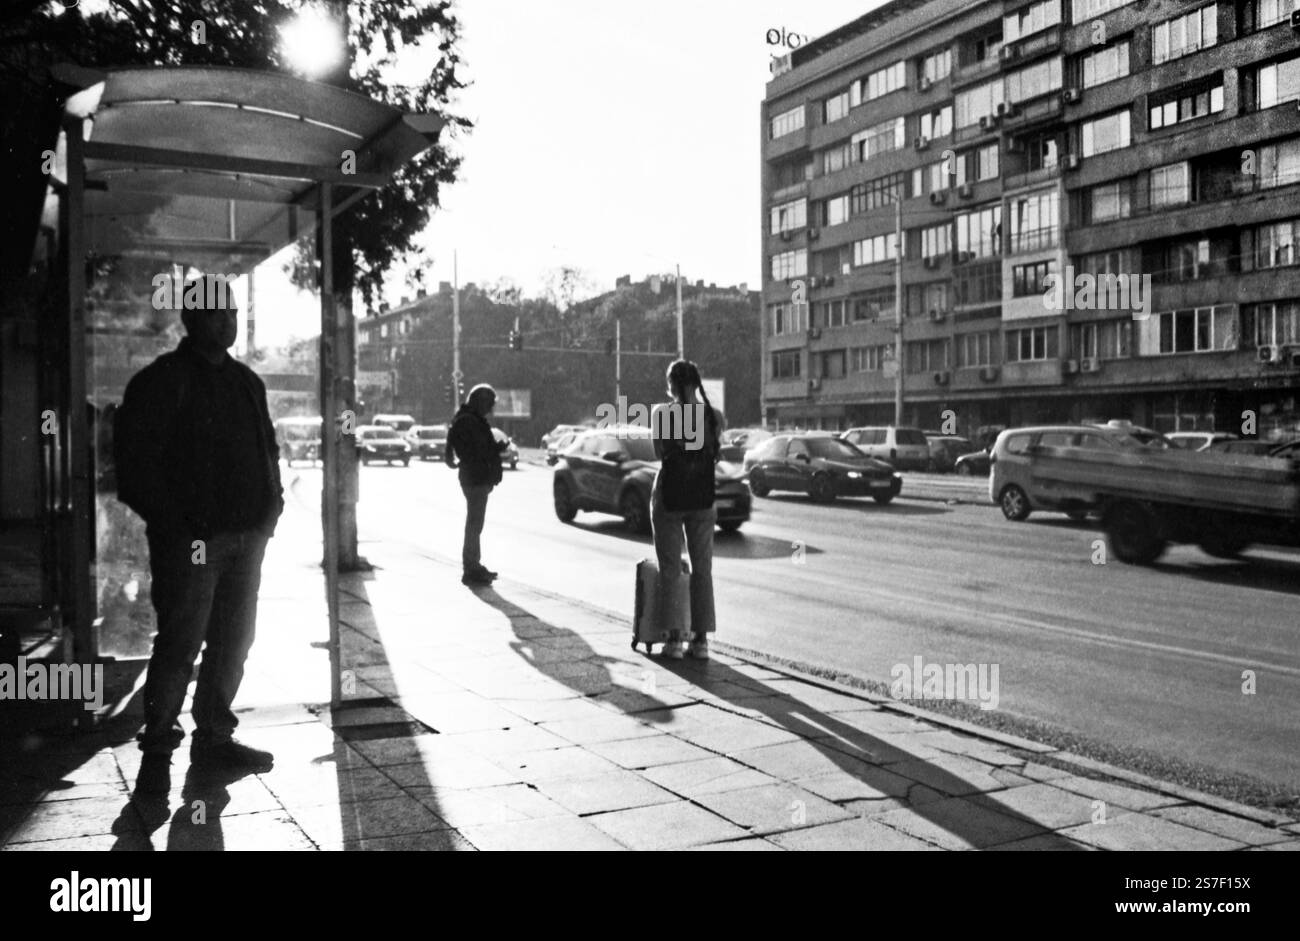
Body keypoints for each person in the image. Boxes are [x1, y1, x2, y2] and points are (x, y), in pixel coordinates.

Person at [113, 278, 283, 793]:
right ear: (191, 320)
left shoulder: (247, 382)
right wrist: (178, 526)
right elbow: (136, 467)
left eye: (230, 312)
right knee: (182, 643)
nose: (227, 322)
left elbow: (268, 451)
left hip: (246, 538)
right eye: (216, 314)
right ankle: (160, 743)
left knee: (233, 642)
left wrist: (268, 515)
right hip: (193, 541)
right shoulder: (161, 381)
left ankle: (213, 736)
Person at [650, 360, 725, 660]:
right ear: (697, 382)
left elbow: (659, 453)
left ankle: (674, 641)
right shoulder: (712, 415)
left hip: (670, 496)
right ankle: (702, 641)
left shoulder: (662, 413)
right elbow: (715, 454)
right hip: (703, 498)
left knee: (670, 569)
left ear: (670, 384)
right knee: (702, 569)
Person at [446, 383, 509, 586]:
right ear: (480, 402)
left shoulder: (466, 419)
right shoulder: (469, 421)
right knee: (474, 525)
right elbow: (476, 450)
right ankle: (471, 567)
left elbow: (462, 446)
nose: (490, 409)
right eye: (488, 404)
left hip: (474, 476)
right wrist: (493, 451)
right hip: (475, 477)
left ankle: (473, 565)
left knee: (475, 524)